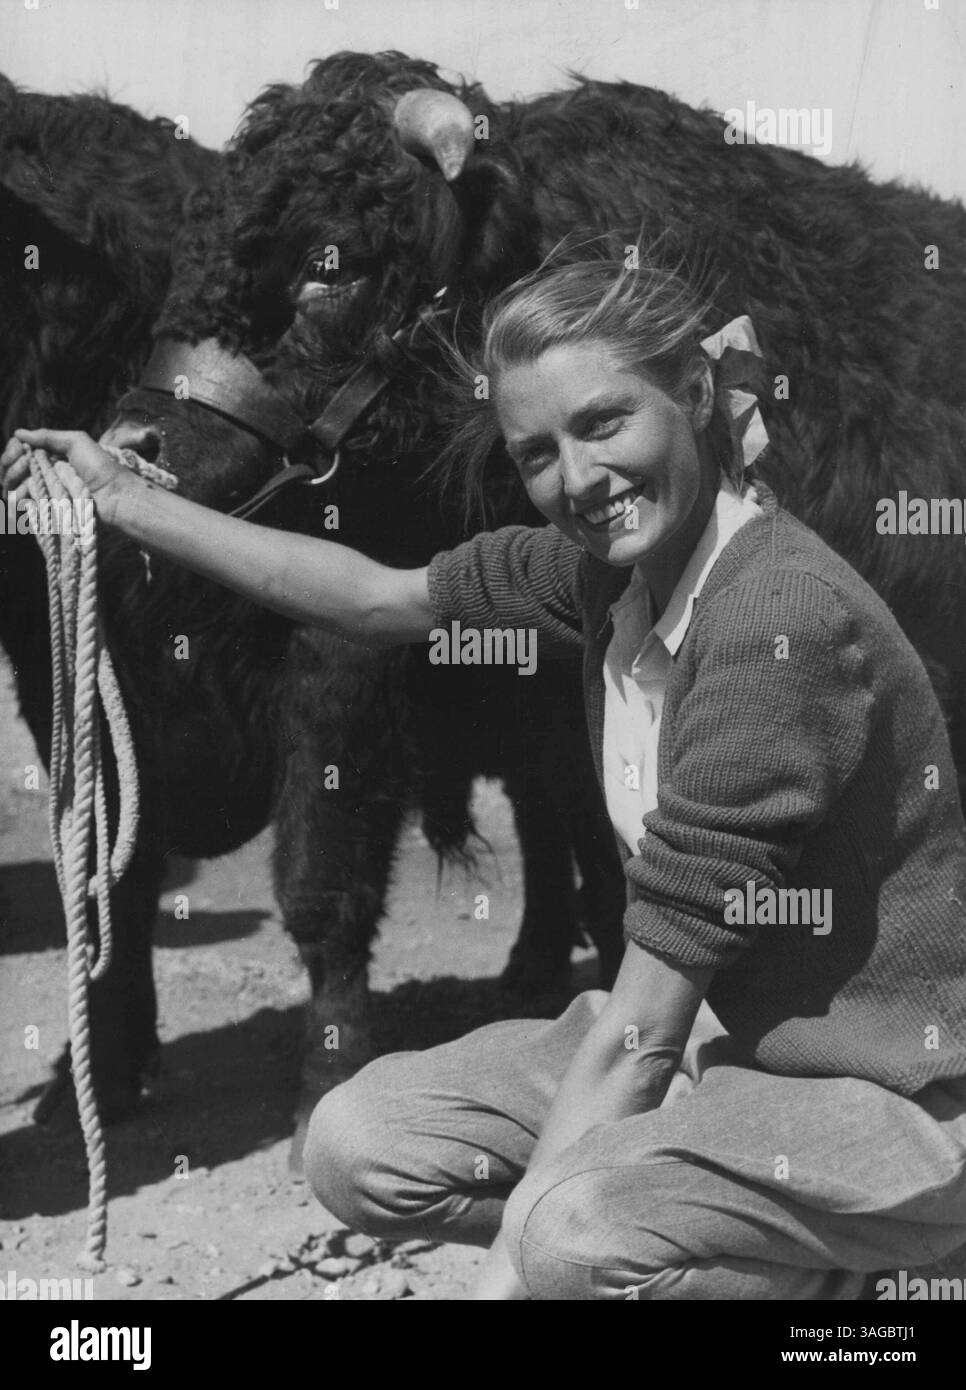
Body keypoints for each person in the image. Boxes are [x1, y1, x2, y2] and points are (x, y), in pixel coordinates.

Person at [4, 260, 966, 1302]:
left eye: (604, 423)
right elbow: (375, 596)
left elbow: (637, 1034)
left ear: (694, 392)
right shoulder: (607, 575)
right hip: (711, 1054)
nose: (580, 479)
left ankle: (836, 1277)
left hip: (887, 1098)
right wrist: (122, 502)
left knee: (567, 1235)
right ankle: (754, 1257)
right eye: (538, 453)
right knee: (357, 1141)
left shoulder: (776, 621)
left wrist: (509, 1272)